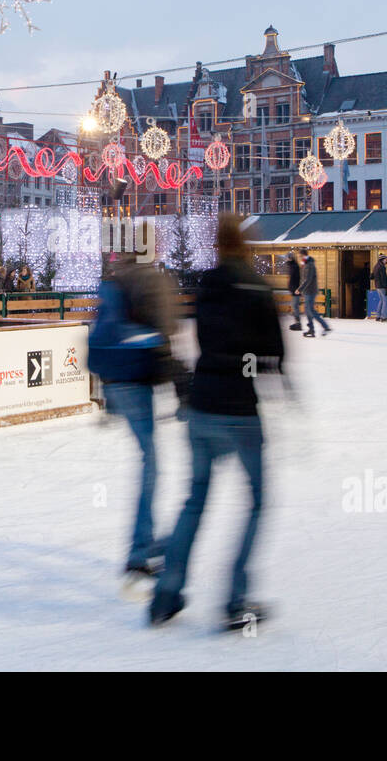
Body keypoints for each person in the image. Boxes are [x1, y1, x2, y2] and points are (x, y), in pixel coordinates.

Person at [150, 213, 282, 631]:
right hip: (240, 411)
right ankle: (235, 598)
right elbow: (273, 358)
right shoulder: (258, 287)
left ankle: (167, 593)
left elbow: (203, 341)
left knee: (196, 499)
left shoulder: (206, 285)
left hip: (203, 406)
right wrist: (250, 368)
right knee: (257, 499)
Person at [91, 252, 190, 588]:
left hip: (115, 382)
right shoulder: (153, 280)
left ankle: (144, 548)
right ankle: (141, 553)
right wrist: (181, 389)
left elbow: (102, 333)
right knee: (150, 463)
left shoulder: (113, 282)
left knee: (148, 459)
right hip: (136, 380)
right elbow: (165, 333)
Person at [296, 247, 331, 337]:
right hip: (307, 291)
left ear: (303, 255)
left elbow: (307, 279)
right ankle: (311, 329)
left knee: (310, 311)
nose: (299, 258)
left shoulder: (309, 265)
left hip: (310, 291)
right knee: (308, 311)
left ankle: (325, 327)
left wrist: (299, 289)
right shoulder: (305, 264)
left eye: (300, 256)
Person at [284, 250, 302, 331]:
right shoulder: (292, 266)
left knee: (295, 307)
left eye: (288, 258)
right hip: (294, 290)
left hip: (296, 290)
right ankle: (297, 323)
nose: (287, 259)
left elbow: (296, 278)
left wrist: (295, 289)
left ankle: (298, 324)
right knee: (294, 307)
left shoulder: (294, 266)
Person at [371, 253, 387, 321]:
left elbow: (372, 276)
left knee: (381, 301)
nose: (386, 260)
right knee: (385, 301)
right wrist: (386, 287)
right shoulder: (382, 267)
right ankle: (383, 316)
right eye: (385, 259)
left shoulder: (376, 266)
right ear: (382, 259)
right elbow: (383, 278)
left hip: (377, 286)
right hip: (382, 286)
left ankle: (378, 316)